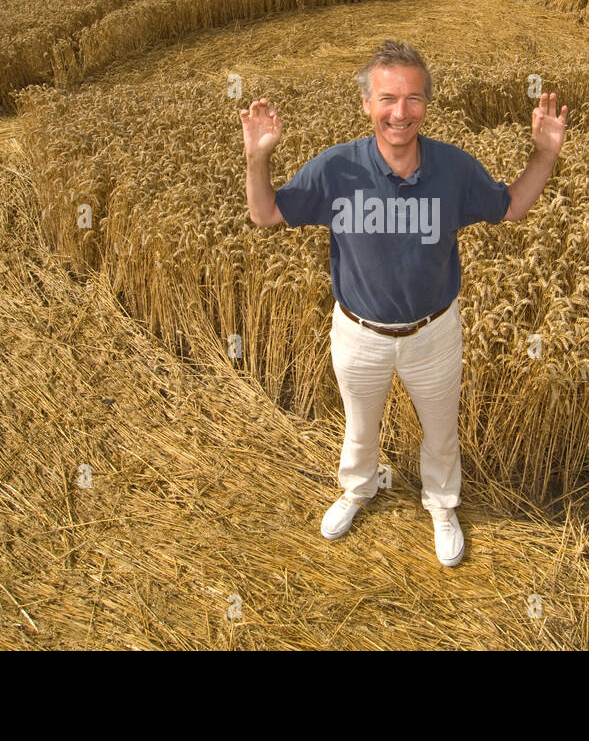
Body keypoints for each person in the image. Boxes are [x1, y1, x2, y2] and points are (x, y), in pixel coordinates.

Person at [240, 39, 566, 567]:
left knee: (441, 429)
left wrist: (544, 155)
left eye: (414, 98)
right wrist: (258, 160)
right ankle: (357, 491)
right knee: (359, 425)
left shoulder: (454, 170)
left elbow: (511, 207)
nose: (401, 112)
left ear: (426, 106)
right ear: (367, 104)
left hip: (433, 333)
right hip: (358, 333)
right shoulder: (335, 170)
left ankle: (441, 506)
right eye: (388, 97)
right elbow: (266, 215)